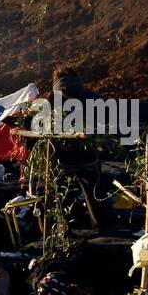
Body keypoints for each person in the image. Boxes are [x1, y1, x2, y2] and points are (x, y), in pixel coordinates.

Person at [49, 65, 110, 231]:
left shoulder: (51, 99)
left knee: (63, 195)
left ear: (56, 80)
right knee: (94, 194)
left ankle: (64, 230)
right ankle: (100, 228)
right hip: (88, 155)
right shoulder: (91, 96)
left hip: (63, 157)